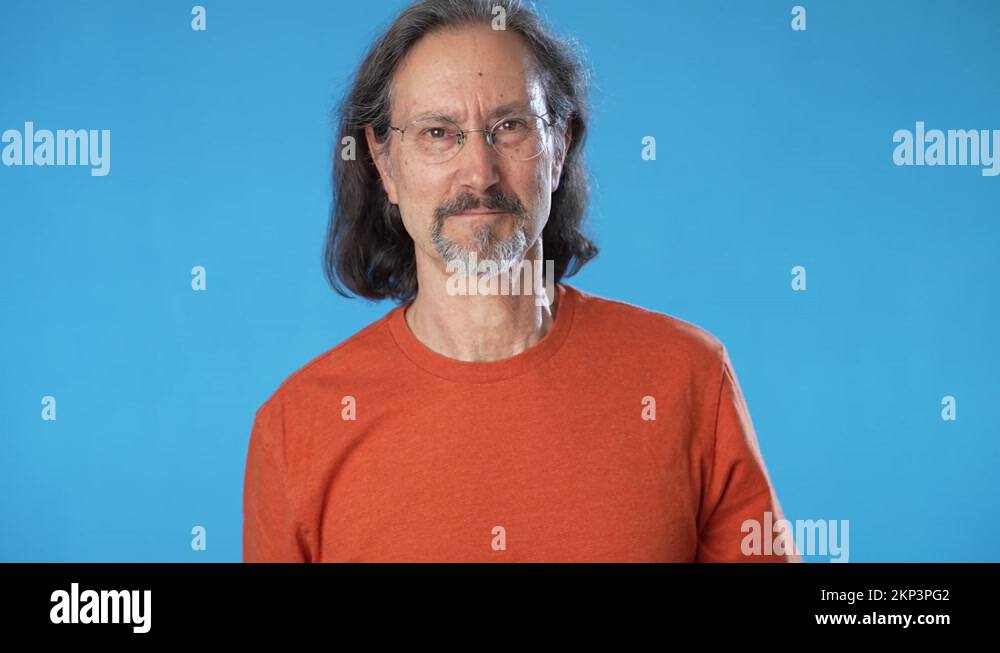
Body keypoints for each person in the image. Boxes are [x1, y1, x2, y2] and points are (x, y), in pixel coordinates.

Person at [243, 0, 796, 562]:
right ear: (384, 163)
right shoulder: (298, 426)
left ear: (560, 147)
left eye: (510, 126)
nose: (479, 172)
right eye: (438, 132)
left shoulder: (688, 378)